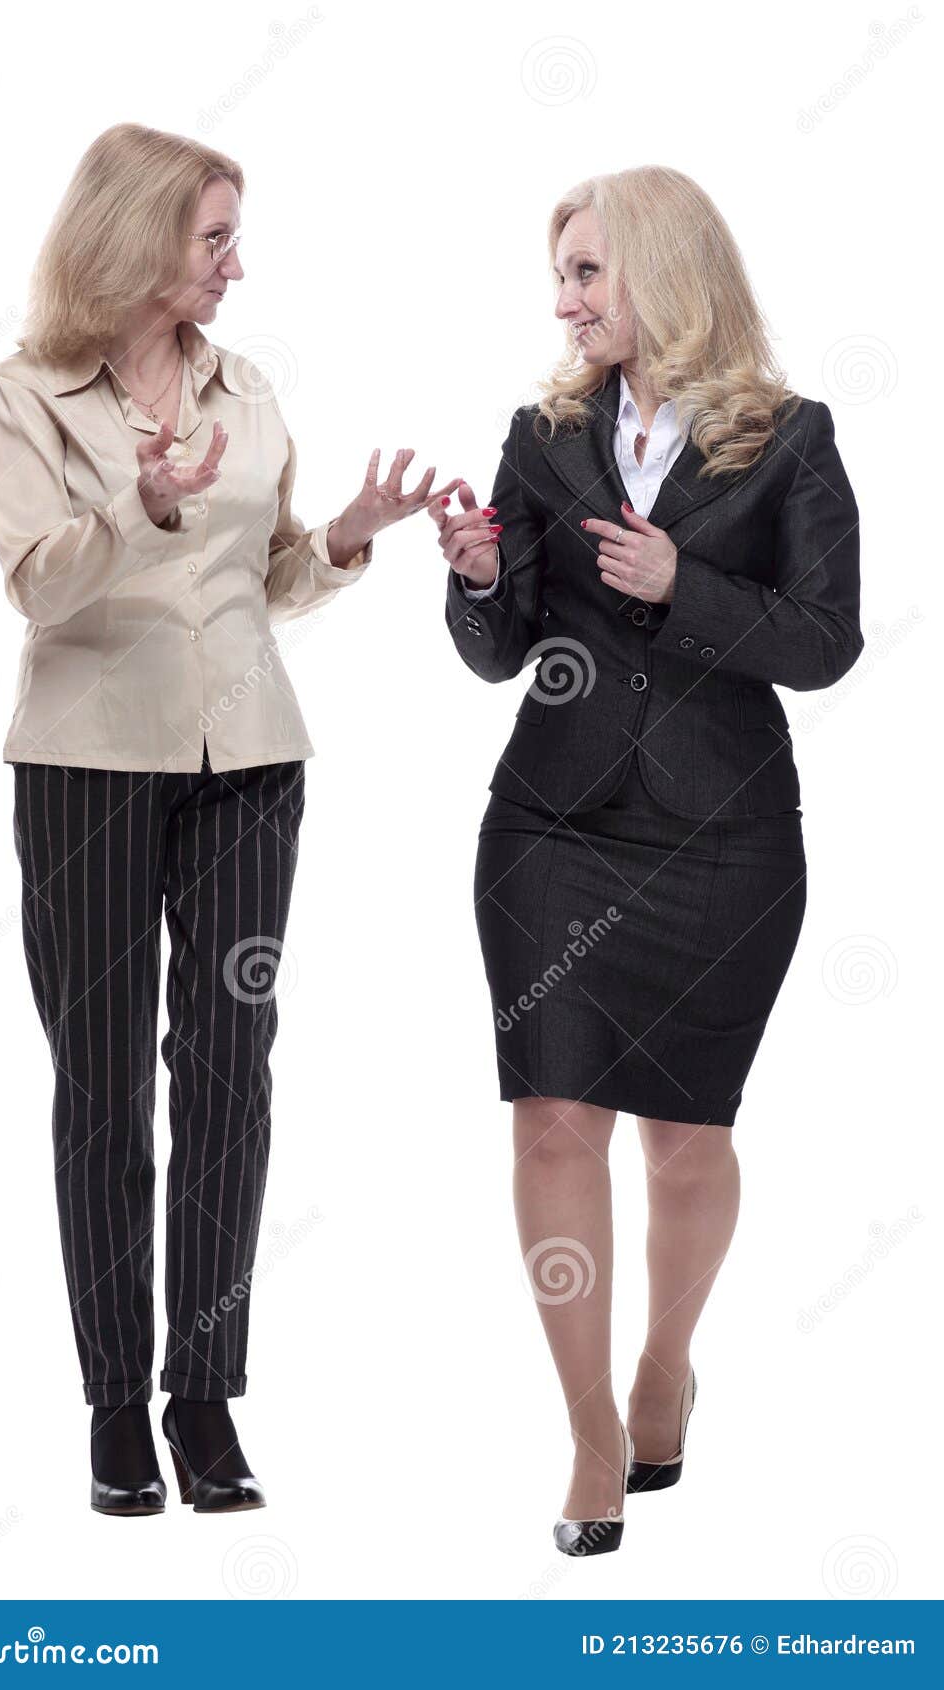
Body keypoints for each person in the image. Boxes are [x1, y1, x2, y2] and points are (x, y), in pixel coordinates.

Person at [0, 122, 454, 1516]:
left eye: (234, 236)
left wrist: (347, 535)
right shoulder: (24, 397)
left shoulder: (249, 392)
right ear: (134, 241)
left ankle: (204, 1392)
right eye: (214, 239)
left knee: (231, 1070)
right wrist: (137, 501)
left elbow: (266, 575)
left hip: (250, 762)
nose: (237, 265)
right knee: (104, 1085)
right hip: (88, 771)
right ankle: (116, 1402)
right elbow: (37, 586)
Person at [431, 165, 862, 1556]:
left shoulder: (789, 442)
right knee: (552, 1120)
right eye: (558, 272)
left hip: (722, 841)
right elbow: (499, 656)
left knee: (686, 1143)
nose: (560, 302)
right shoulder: (537, 432)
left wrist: (688, 591)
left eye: (584, 274)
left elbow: (823, 646)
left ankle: (664, 1360)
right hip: (549, 829)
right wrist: (479, 573)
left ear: (665, 275)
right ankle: (588, 1430)